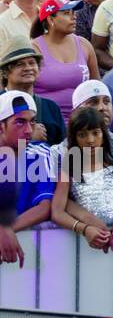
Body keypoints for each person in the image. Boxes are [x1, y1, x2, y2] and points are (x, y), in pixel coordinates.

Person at [51, 102, 113, 249]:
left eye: (95, 133)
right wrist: (84, 229)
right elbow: (57, 212)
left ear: (104, 135)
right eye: (82, 135)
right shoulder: (69, 169)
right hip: (84, 245)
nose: (90, 140)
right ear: (74, 139)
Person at [0, 89, 60, 247]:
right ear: (1, 127)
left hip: (33, 250)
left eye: (32, 121)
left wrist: (6, 231)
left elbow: (45, 207)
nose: (29, 130)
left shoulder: (40, 151)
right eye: (20, 122)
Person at [30, 0, 97, 120]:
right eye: (67, 13)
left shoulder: (84, 45)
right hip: (47, 126)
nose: (74, 16)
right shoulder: (34, 49)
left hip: (83, 127)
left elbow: (97, 88)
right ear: (51, 20)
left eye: (73, 12)